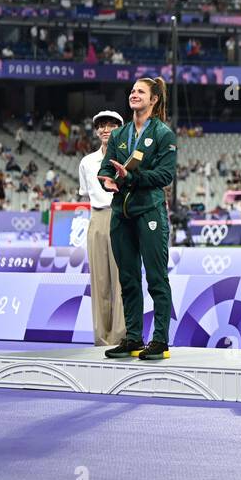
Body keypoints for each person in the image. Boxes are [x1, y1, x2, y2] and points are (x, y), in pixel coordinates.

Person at [99, 78, 178, 361]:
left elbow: (165, 176)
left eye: (140, 92)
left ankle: (160, 340)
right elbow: (106, 167)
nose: (133, 95)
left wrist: (131, 176)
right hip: (121, 212)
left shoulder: (163, 134)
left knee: (157, 278)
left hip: (149, 211)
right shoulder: (120, 134)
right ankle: (133, 338)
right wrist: (106, 180)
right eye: (132, 91)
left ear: (154, 99)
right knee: (128, 279)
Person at [78, 110, 125, 346]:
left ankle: (121, 337)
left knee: (122, 280)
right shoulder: (87, 162)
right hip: (97, 219)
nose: (106, 129)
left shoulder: (128, 160)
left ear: (121, 128)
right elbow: (86, 193)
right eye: (102, 126)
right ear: (96, 131)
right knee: (100, 281)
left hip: (122, 216)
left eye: (112, 125)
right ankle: (101, 338)